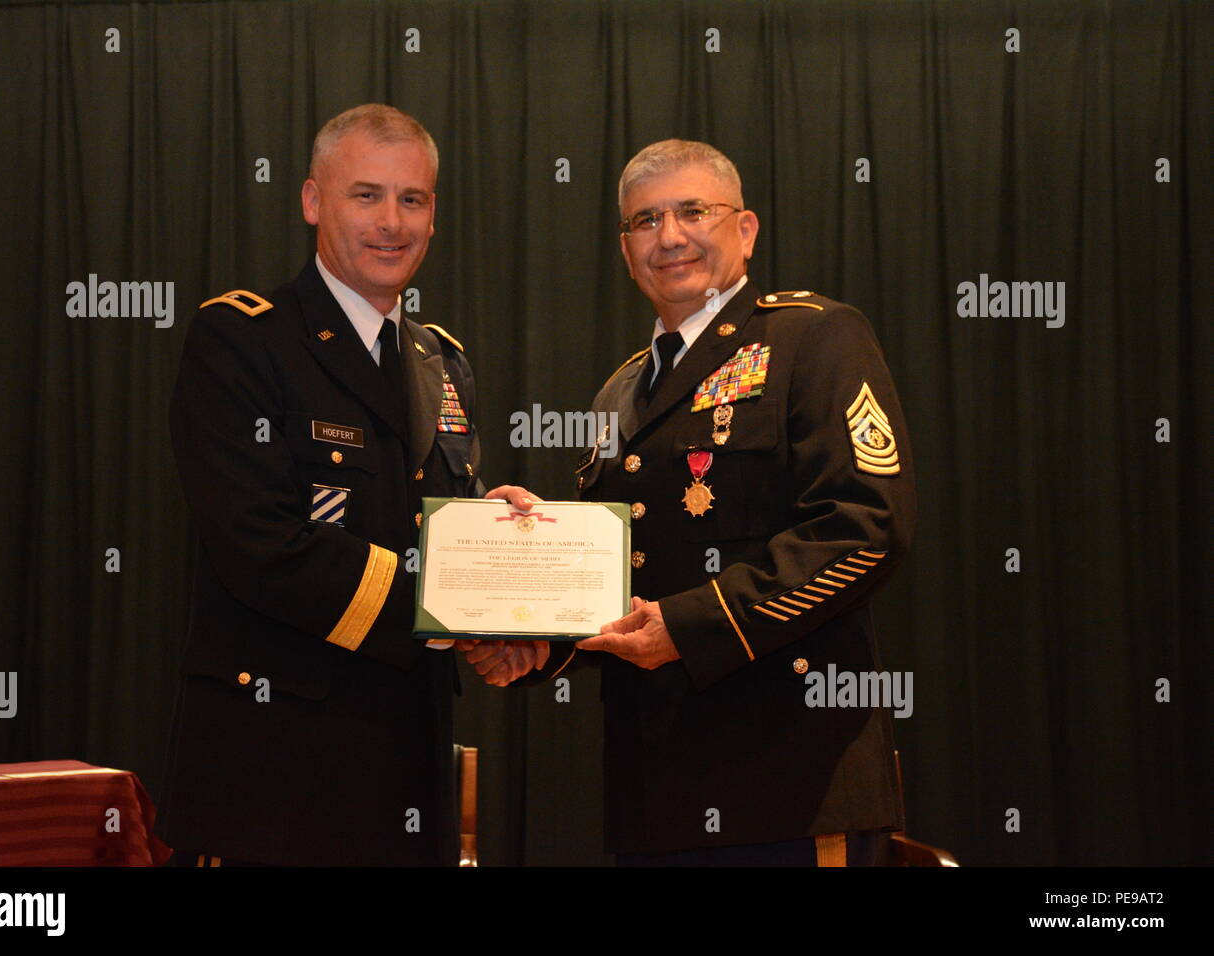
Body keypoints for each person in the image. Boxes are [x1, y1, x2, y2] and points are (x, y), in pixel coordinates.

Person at [155, 104, 542, 866]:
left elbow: (425, 524)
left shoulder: (441, 360)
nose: (391, 222)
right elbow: (261, 545)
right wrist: (460, 602)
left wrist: (493, 535)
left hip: (408, 761)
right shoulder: (243, 338)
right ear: (311, 201)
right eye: (366, 195)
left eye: (413, 199)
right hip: (276, 770)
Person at [530, 139, 918, 865]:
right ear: (625, 248)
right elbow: (621, 578)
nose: (668, 236)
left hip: (787, 788)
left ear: (745, 230)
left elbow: (866, 527)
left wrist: (690, 624)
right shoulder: (620, 391)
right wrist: (533, 628)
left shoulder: (814, 336)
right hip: (651, 792)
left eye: (691, 211)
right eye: (645, 221)